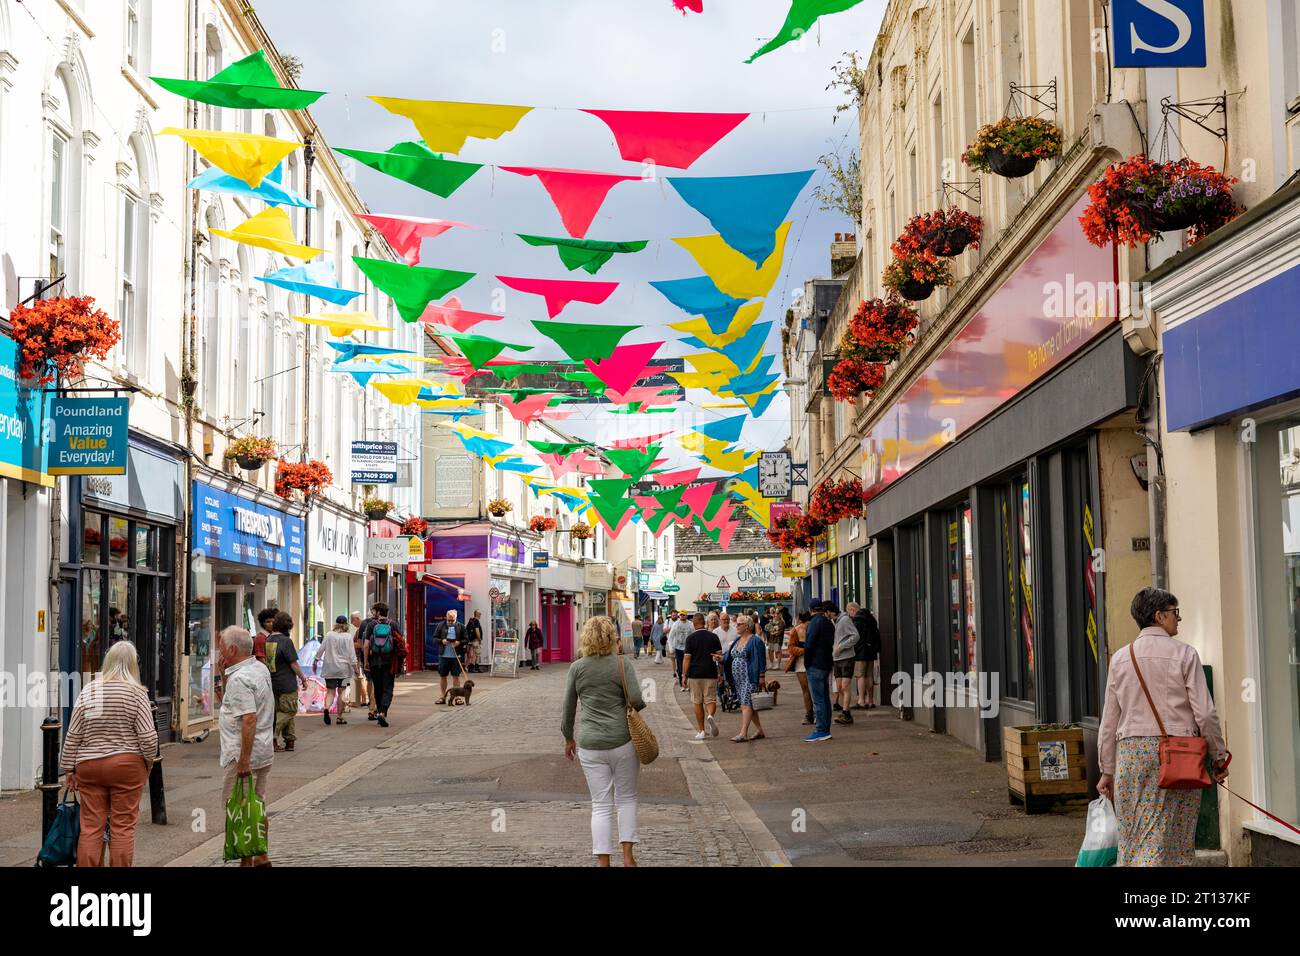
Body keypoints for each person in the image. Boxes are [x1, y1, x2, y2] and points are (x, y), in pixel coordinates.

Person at [1097, 588, 1229, 866]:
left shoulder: (1120, 658)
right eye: (1174, 613)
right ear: (1159, 616)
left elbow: (1109, 721)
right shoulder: (1185, 655)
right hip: (1178, 755)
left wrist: (1107, 769)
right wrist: (1218, 757)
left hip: (1132, 755)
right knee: (1177, 841)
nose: (1178, 619)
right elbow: (1204, 713)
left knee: (1135, 840)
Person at [59, 641, 157, 867]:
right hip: (127, 766)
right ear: (134, 665)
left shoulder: (90, 690)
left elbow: (74, 733)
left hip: (89, 766)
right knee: (122, 826)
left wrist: (68, 769)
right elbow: (149, 738)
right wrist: (148, 763)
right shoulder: (136, 693)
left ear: (108, 662)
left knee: (91, 826)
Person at [561, 615, 646, 868]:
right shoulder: (622, 664)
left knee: (600, 804)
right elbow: (638, 700)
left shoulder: (577, 668)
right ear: (612, 638)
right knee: (627, 798)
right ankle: (629, 857)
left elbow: (568, 709)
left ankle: (603, 862)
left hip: (590, 744)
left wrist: (568, 738)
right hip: (623, 741)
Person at [216, 627, 275, 867]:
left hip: (244, 752)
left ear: (232, 649)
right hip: (263, 748)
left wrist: (243, 760)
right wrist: (224, 676)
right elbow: (236, 704)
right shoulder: (258, 669)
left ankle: (248, 860)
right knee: (256, 803)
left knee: (236, 806)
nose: (219, 652)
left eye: (221, 647)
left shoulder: (240, 679)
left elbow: (248, 717)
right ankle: (259, 856)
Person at [722, 617, 767, 742]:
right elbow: (729, 655)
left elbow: (761, 659)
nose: (736, 626)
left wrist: (762, 675)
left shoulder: (755, 641)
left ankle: (743, 733)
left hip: (750, 676)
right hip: (738, 679)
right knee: (749, 704)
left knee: (745, 704)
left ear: (747, 626)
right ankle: (759, 730)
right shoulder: (738, 639)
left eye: (739, 624)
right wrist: (720, 658)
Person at [682, 613, 723, 741]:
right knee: (710, 699)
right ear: (704, 622)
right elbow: (719, 657)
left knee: (697, 701)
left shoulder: (690, 638)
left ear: (694, 624)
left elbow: (687, 659)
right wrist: (720, 673)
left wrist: (684, 675)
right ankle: (710, 715)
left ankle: (701, 731)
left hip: (695, 675)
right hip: (710, 673)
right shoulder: (714, 637)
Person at [363, 603, 404, 724]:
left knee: (378, 688)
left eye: (374, 611)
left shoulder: (371, 625)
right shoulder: (393, 625)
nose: (373, 613)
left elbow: (366, 646)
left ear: (378, 612)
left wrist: (365, 661)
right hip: (390, 662)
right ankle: (383, 712)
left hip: (375, 662)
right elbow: (401, 644)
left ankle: (379, 710)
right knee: (388, 688)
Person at [803, 602, 836, 741]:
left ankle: (821, 729)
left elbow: (809, 644)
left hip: (815, 664)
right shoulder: (828, 623)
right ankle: (825, 728)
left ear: (810, 610)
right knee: (825, 698)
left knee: (818, 699)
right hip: (826, 663)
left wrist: (807, 663)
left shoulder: (814, 623)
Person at [320, 616, 356, 725]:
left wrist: (316, 660)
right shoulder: (348, 637)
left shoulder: (329, 635)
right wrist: (355, 667)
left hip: (330, 669)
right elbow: (352, 654)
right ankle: (339, 717)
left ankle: (326, 708)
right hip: (344, 670)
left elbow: (321, 648)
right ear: (346, 625)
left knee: (330, 691)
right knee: (342, 692)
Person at [832, 603, 861, 726]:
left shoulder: (844, 620)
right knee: (839, 687)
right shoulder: (836, 621)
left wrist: (842, 646)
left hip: (847, 657)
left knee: (845, 686)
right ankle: (846, 710)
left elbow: (856, 636)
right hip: (837, 658)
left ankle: (846, 713)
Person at [431, 608, 465, 705]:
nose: (450, 622)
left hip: (456, 656)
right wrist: (442, 641)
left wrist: (459, 643)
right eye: (448, 620)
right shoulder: (441, 625)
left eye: (452, 620)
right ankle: (443, 697)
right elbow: (434, 638)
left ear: (456, 618)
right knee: (443, 676)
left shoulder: (461, 627)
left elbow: (466, 639)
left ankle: (457, 698)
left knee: (456, 677)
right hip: (444, 656)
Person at [786, 611, 814, 725]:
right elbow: (791, 648)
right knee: (805, 689)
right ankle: (809, 713)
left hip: (814, 661)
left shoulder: (814, 629)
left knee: (815, 689)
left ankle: (817, 712)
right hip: (801, 662)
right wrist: (804, 651)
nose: (808, 626)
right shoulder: (795, 631)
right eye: (807, 623)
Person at [853, 602, 881, 709]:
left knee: (860, 676)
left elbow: (855, 637)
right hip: (871, 652)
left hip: (860, 653)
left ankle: (861, 701)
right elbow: (877, 637)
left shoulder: (857, 621)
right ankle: (870, 700)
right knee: (869, 676)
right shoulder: (872, 620)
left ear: (853, 610)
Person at [667, 610, 692, 689]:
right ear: (679, 616)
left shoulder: (690, 625)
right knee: (680, 667)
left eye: (684, 615)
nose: (682, 616)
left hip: (687, 648)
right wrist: (671, 648)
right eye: (681, 615)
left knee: (688, 666)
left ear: (686, 616)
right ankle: (682, 684)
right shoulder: (675, 624)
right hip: (678, 648)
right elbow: (670, 637)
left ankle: (687, 683)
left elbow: (693, 635)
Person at [349, 613, 369, 710]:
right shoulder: (363, 628)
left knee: (360, 678)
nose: (353, 624)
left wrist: (349, 643)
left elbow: (360, 645)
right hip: (362, 657)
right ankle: (362, 699)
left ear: (357, 619)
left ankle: (363, 700)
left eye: (353, 622)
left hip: (359, 657)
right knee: (362, 679)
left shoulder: (361, 629)